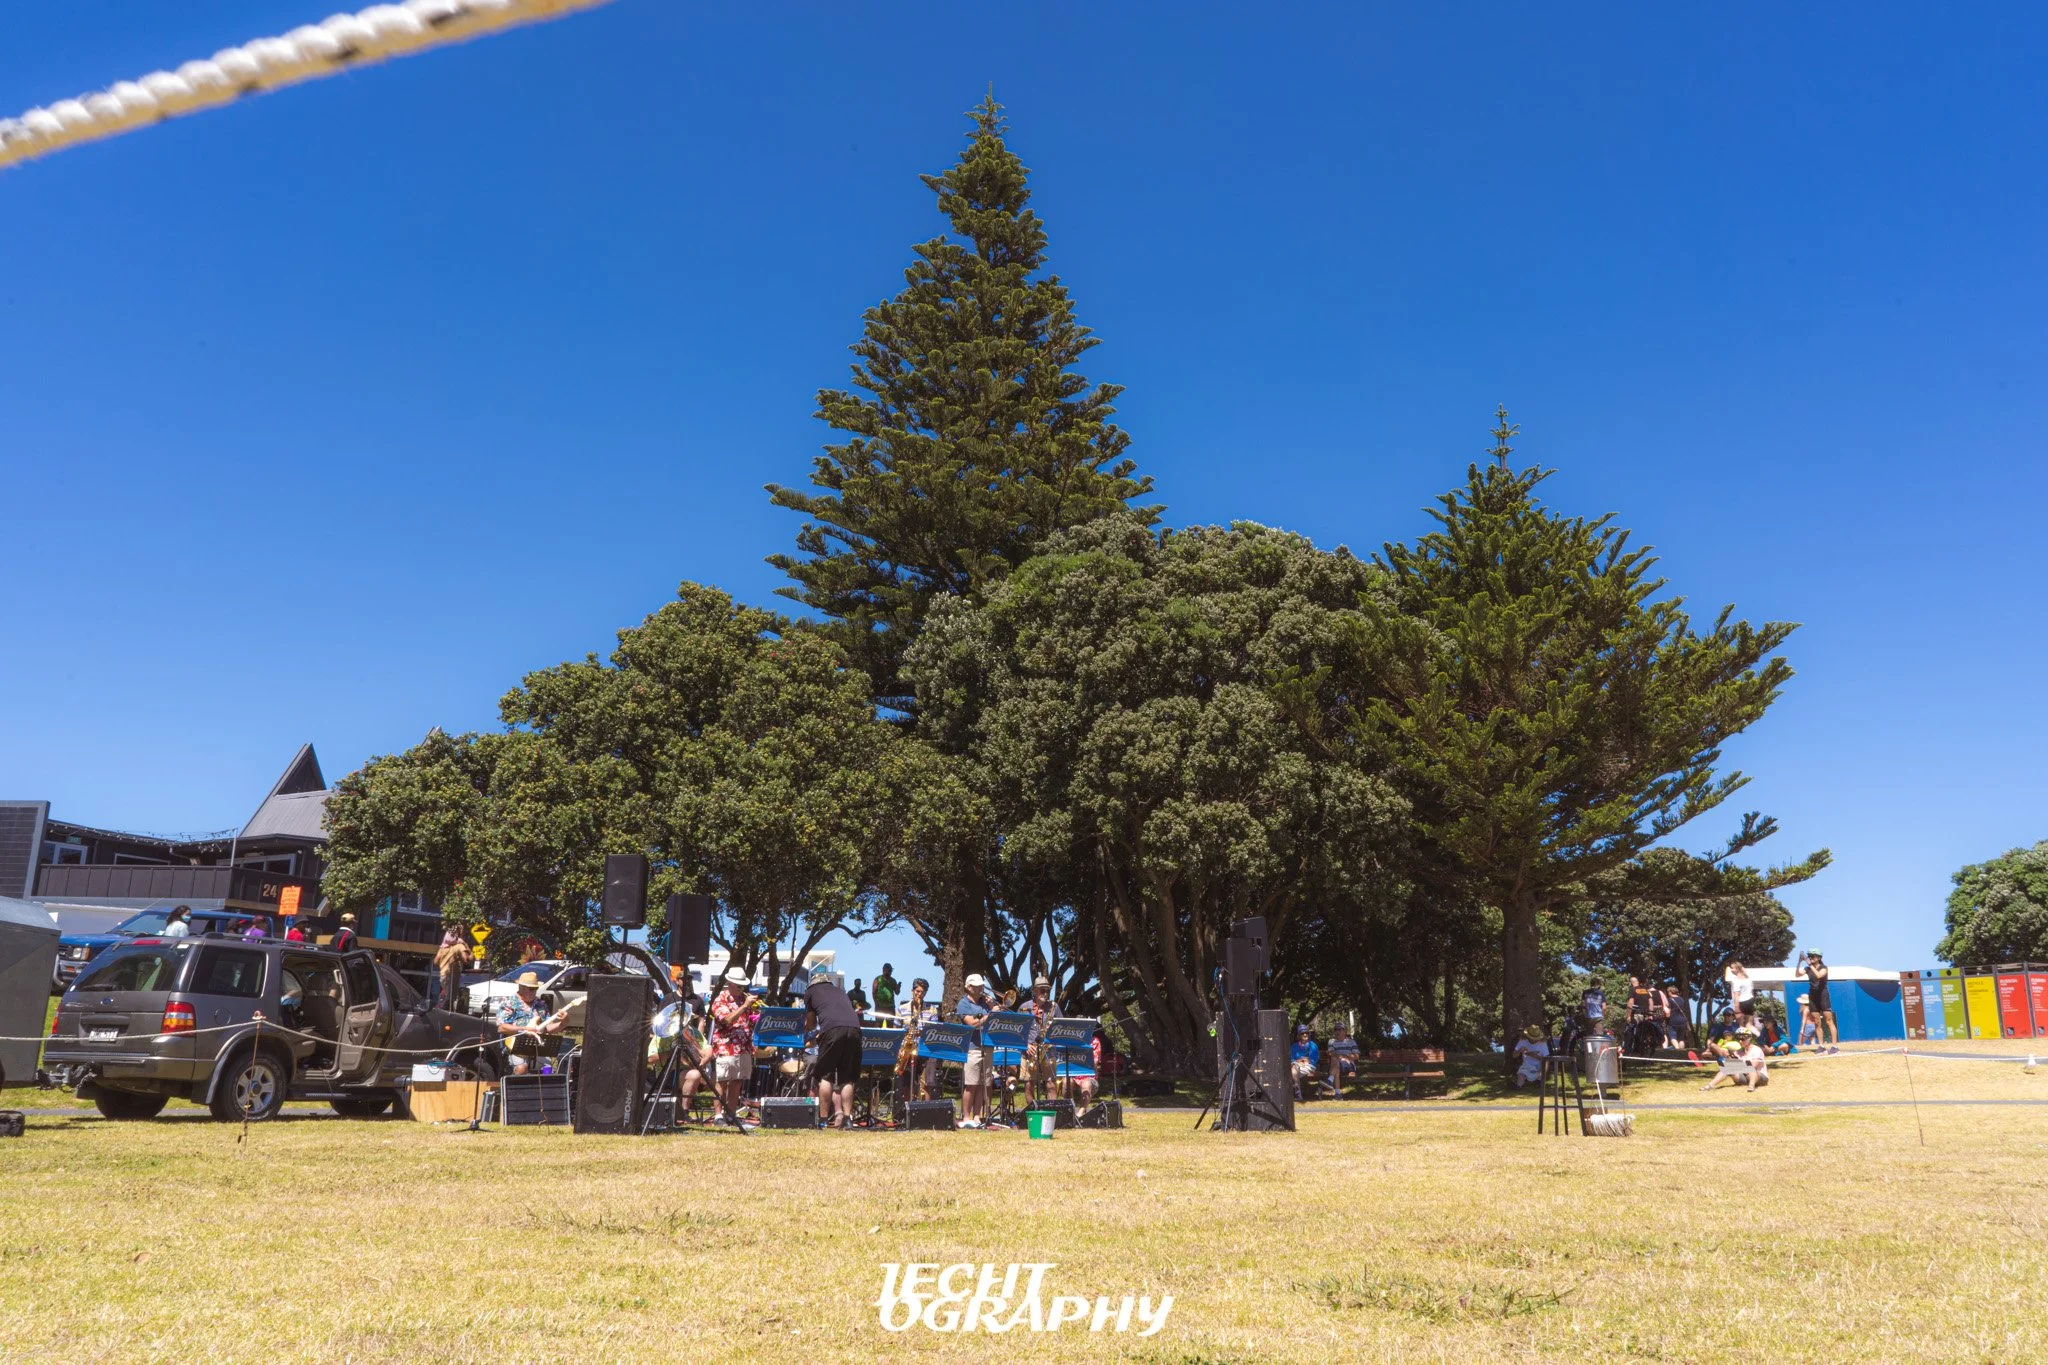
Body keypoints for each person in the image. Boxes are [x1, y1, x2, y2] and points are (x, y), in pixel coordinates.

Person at [797, 969, 864, 1129]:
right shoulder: (840, 991)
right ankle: (848, 1119)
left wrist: (804, 1032)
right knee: (847, 1077)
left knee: (825, 1076)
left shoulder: (811, 992)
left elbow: (812, 1024)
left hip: (832, 1030)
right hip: (855, 1030)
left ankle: (823, 1120)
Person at [707, 967, 757, 1126]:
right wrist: (744, 1007)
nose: (741, 988)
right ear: (729, 983)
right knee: (722, 1080)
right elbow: (726, 1020)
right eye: (738, 984)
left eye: (742, 985)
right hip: (725, 1046)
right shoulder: (720, 999)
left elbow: (751, 1020)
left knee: (737, 1081)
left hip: (744, 1047)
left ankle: (731, 1114)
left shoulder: (745, 998)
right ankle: (718, 1116)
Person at [495, 971, 566, 1075]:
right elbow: (502, 1028)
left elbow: (546, 1028)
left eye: (536, 989)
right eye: (532, 989)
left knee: (548, 1069)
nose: (535, 992)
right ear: (522, 988)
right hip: (514, 1048)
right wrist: (524, 1029)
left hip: (538, 1046)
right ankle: (517, 1090)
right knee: (521, 1068)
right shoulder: (509, 1003)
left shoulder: (540, 1004)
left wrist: (563, 1023)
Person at [954, 973, 998, 1127]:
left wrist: (993, 1007)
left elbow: (998, 1015)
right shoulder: (963, 1004)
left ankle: (978, 1116)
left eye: (981, 986)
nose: (980, 989)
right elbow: (971, 1023)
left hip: (987, 1046)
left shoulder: (986, 1003)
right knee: (971, 1084)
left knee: (983, 1084)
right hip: (972, 1048)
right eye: (977, 986)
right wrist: (989, 1015)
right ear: (969, 987)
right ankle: (966, 1117)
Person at [1800, 951, 1839, 1052]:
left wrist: (1809, 964)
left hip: (1823, 996)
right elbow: (1797, 975)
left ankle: (1834, 1046)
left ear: (1818, 958)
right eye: (1809, 956)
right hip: (1813, 997)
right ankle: (1821, 1046)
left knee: (1829, 1021)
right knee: (1817, 1022)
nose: (1811, 958)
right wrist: (1799, 962)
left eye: (1813, 956)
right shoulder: (1808, 968)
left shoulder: (1823, 968)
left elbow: (1818, 975)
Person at [433, 929, 468, 1012]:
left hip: (443, 975)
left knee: (448, 996)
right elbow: (465, 959)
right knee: (451, 997)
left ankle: (446, 1012)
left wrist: (445, 960)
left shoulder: (442, 948)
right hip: (452, 975)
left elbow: (435, 961)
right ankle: (445, 1013)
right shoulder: (459, 946)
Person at [1326, 1023, 1361, 1096]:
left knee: (1335, 1061)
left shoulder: (1351, 1042)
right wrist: (1339, 1057)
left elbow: (1357, 1056)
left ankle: (1330, 1080)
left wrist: (1346, 1057)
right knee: (1336, 1065)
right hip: (1337, 1065)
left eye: (1339, 1029)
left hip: (1349, 1065)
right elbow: (1330, 1053)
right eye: (1335, 1029)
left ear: (1345, 1031)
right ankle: (1338, 1094)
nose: (1337, 1031)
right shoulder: (1332, 1041)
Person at [1289, 1024, 1320, 1101]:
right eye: (1302, 1033)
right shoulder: (1294, 1046)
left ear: (1309, 1034)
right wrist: (1301, 1060)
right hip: (1296, 1066)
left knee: (1292, 1071)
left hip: (1310, 1067)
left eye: (1306, 1032)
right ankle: (1298, 1094)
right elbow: (1291, 1059)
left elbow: (1312, 1060)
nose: (1305, 1034)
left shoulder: (1313, 1045)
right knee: (1294, 1069)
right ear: (1299, 1035)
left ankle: (1297, 1093)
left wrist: (1303, 1060)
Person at [1725, 961, 1755, 1025]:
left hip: (1742, 1002)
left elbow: (1736, 995)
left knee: (1740, 1026)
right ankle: (1759, 1035)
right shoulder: (1748, 979)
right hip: (1750, 1001)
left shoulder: (1736, 980)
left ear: (1737, 969)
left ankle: (1742, 1033)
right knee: (1749, 1025)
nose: (1731, 970)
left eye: (1732, 968)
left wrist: (1736, 1007)